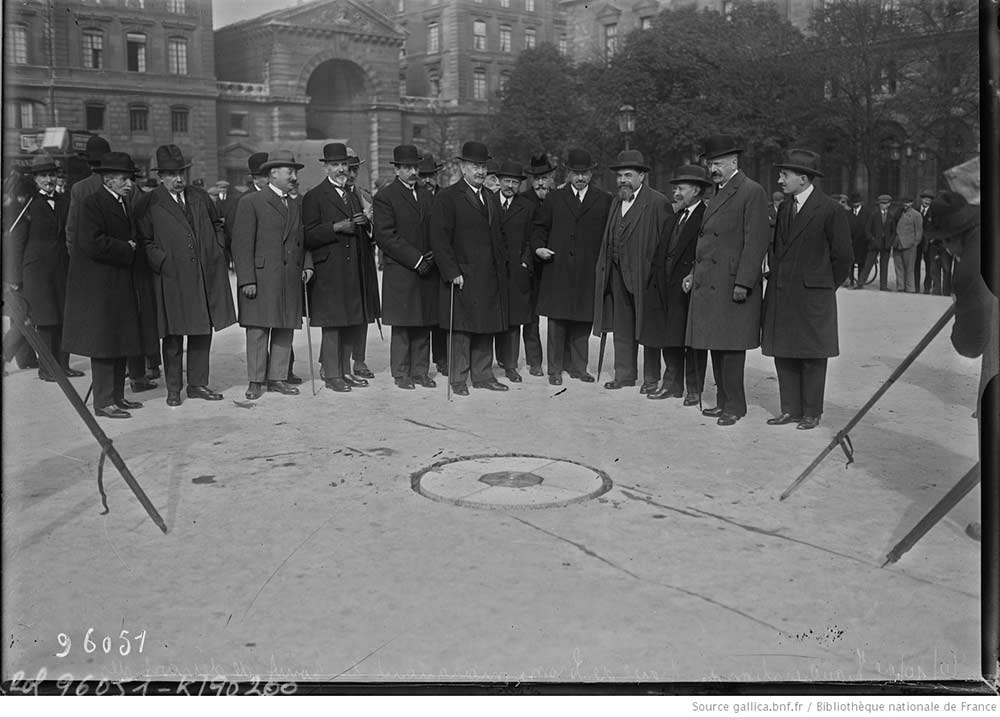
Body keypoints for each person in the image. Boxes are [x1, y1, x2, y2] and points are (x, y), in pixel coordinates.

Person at [135, 144, 236, 406]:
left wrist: (217, 247)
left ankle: (198, 384)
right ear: (161, 176)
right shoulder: (150, 201)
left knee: (202, 331)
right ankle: (173, 388)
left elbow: (217, 224)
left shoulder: (200, 196)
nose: (178, 179)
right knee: (172, 335)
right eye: (171, 174)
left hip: (204, 275)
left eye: (181, 172)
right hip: (171, 278)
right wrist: (162, 260)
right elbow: (143, 239)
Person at [760, 149, 853, 430]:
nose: (779, 180)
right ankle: (790, 409)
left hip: (813, 295)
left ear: (803, 178)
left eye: (784, 175)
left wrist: (822, 287)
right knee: (784, 350)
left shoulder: (830, 209)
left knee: (812, 354)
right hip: (783, 292)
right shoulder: (785, 207)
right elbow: (777, 248)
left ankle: (812, 412)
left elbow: (843, 257)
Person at [684, 134, 770, 426]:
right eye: (711, 165)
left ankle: (735, 405)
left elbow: (755, 242)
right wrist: (694, 274)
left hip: (733, 284)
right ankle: (723, 402)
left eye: (718, 163)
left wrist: (743, 283)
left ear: (734, 161)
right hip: (712, 282)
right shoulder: (719, 193)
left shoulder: (751, 191)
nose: (713, 170)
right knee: (717, 345)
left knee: (731, 348)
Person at [927, 190, 997, 542]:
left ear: (952, 238)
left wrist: (962, 323)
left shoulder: (969, 267)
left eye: (942, 244)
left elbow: (970, 345)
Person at [62, 152, 152, 418]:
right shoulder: (91, 203)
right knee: (103, 344)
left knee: (120, 338)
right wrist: (127, 248)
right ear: (109, 180)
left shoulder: (122, 203)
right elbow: (91, 243)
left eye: (130, 179)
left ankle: (118, 397)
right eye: (124, 179)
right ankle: (103, 402)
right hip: (99, 286)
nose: (129, 184)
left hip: (118, 281)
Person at [429, 140, 509, 396]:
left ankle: (483, 375)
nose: (481, 171)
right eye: (475, 166)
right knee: (461, 329)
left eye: (484, 166)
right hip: (462, 274)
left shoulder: (490, 197)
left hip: (489, 274)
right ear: (463, 167)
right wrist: (451, 272)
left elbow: (498, 236)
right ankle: (458, 379)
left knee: (486, 326)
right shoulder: (448, 197)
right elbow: (440, 240)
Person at [231, 150, 310, 400]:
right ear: (273, 173)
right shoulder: (251, 202)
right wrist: (247, 279)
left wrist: (307, 265)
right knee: (258, 329)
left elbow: (302, 239)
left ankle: (277, 377)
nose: (295, 177)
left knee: (284, 327)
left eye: (295, 172)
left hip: (289, 276)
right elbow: (241, 244)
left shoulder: (295, 203)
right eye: (290, 172)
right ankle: (256, 380)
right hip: (261, 277)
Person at [592, 148, 673, 392]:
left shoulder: (658, 202)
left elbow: (665, 243)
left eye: (628, 175)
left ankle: (650, 379)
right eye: (619, 176)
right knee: (622, 327)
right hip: (617, 275)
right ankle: (624, 374)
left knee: (648, 330)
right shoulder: (617, 201)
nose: (623, 180)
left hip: (645, 277)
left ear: (641, 177)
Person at [301, 143, 380, 393]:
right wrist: (336, 227)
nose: (341, 169)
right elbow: (307, 235)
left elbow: (365, 230)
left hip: (354, 269)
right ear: (325, 168)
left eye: (344, 164)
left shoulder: (354, 194)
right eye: (335, 165)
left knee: (350, 321)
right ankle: (333, 374)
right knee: (333, 323)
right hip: (330, 272)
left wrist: (364, 223)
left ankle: (345, 371)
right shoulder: (314, 196)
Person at [531, 149, 611, 386]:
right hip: (559, 267)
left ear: (591, 173)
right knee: (557, 321)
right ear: (568, 173)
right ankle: (554, 369)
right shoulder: (555, 198)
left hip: (588, 270)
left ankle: (578, 367)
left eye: (584, 173)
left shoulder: (603, 199)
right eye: (576, 173)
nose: (580, 178)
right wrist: (538, 248)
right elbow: (539, 228)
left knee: (582, 320)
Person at [6, 154, 84, 381]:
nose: (49, 179)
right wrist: (14, 276)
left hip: (61, 269)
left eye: (51, 175)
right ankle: (47, 368)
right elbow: (16, 242)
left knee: (63, 317)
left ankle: (63, 365)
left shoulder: (64, 201)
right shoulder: (28, 205)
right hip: (37, 272)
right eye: (43, 176)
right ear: (36, 179)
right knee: (46, 320)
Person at [641, 164, 710, 405]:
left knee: (692, 342)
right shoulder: (673, 218)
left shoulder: (707, 218)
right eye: (676, 189)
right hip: (666, 288)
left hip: (690, 289)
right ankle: (671, 385)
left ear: (697, 190)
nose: (676, 193)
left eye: (681, 189)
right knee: (669, 338)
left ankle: (694, 389)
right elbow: (662, 253)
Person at [373, 144, 438, 390]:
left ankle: (421, 371)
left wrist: (431, 256)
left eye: (415, 167)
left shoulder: (426, 194)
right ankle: (401, 373)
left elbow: (434, 228)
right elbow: (386, 237)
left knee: (423, 322)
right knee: (403, 324)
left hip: (426, 267)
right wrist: (417, 259)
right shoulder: (385, 197)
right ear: (397, 170)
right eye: (407, 167)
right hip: (402, 269)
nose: (412, 172)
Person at [493, 161, 536, 383]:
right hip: (491, 271)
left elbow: (531, 238)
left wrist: (525, 262)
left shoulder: (527, 207)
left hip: (516, 272)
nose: (510, 186)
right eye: (506, 181)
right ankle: (486, 364)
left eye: (514, 182)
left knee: (513, 321)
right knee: (489, 316)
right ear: (498, 181)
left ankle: (510, 365)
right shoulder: (488, 202)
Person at [344, 148, 379, 379]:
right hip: (340, 263)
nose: (350, 173)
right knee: (340, 314)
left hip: (363, 260)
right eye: (348, 167)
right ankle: (332, 361)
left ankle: (359, 359)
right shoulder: (324, 194)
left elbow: (377, 234)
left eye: (354, 168)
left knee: (364, 312)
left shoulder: (365, 195)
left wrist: (369, 223)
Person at [418, 153, 449, 376]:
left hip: (442, 264)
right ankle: (419, 364)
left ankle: (442, 359)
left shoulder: (446, 196)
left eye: (431, 176)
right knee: (422, 315)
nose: (428, 180)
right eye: (423, 176)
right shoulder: (416, 196)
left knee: (441, 315)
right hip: (420, 263)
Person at [860, 194, 897, 291]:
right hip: (874, 244)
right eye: (881, 203)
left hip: (886, 244)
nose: (882, 205)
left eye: (885, 203)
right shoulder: (873, 215)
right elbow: (867, 230)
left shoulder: (891, 216)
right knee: (868, 263)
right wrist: (872, 239)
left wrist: (890, 242)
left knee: (884, 266)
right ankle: (860, 282)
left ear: (889, 204)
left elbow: (894, 231)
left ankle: (883, 286)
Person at [893, 197, 922, 293]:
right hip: (897, 243)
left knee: (909, 268)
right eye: (904, 202)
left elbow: (919, 231)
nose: (905, 204)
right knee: (898, 267)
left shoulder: (916, 215)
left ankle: (910, 288)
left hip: (909, 244)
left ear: (912, 203)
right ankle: (900, 286)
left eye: (908, 202)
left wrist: (915, 243)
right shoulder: (898, 213)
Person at [847, 192, 868, 288]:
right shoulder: (848, 213)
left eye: (857, 202)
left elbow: (867, 228)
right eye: (854, 203)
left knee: (861, 263)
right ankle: (850, 281)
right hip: (851, 242)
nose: (855, 204)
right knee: (850, 263)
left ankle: (860, 282)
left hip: (862, 243)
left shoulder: (866, 213)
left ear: (860, 202)